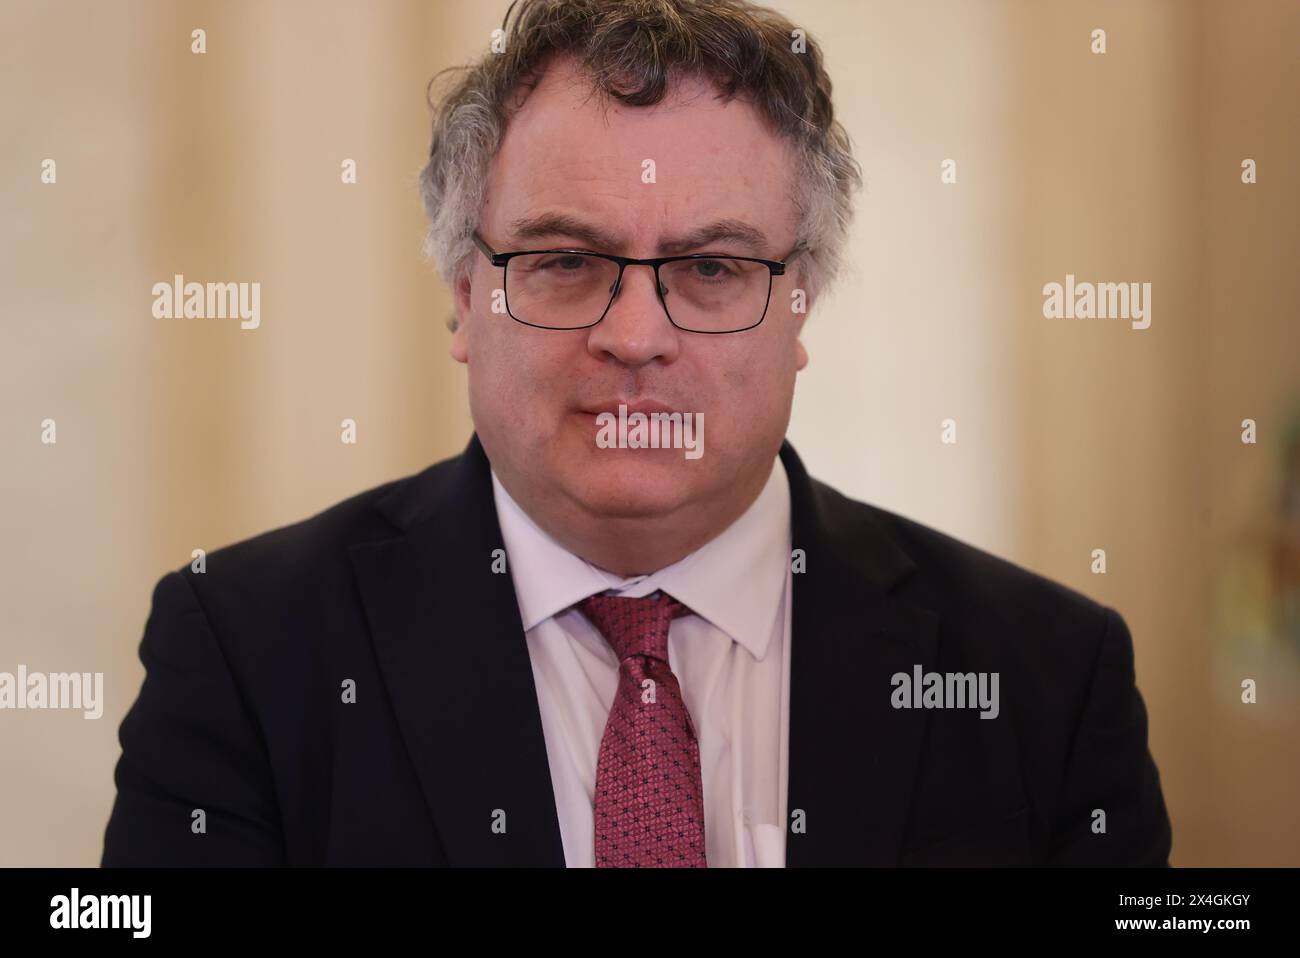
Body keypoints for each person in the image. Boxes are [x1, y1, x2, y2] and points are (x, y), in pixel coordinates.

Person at [102, 0, 1171, 867]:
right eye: (565, 260)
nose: (634, 333)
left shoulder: (1043, 674)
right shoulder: (247, 651)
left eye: (711, 267)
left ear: (802, 305)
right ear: (466, 296)